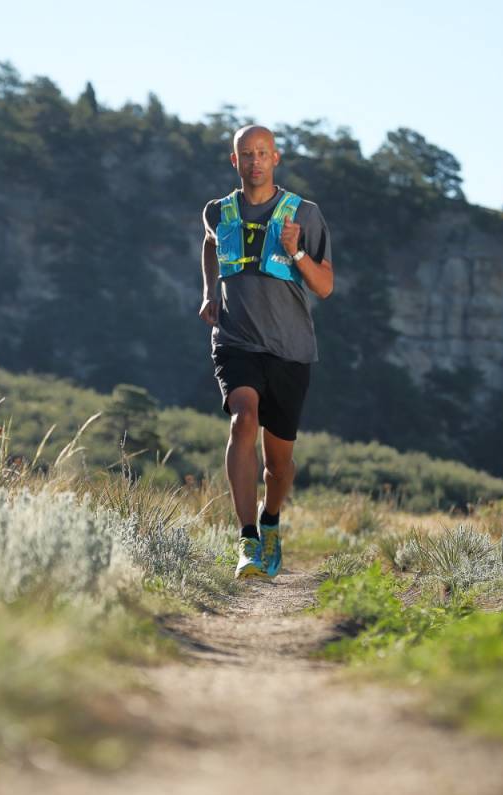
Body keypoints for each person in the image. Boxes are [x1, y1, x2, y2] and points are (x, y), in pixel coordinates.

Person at [198, 125, 335, 580]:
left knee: (279, 464)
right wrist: (209, 290)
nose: (254, 161)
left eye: (262, 153)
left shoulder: (305, 214)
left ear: (276, 158)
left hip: (291, 350)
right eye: (246, 154)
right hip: (236, 339)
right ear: (234, 161)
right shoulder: (218, 211)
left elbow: (325, 286)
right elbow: (209, 245)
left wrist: (296, 252)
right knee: (243, 418)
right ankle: (248, 539)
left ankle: (271, 517)